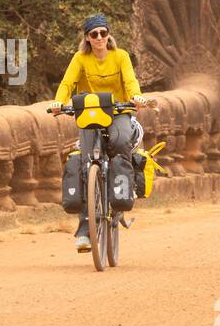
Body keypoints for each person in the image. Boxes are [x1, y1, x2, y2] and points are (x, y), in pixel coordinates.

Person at [50, 14, 148, 252]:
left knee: (122, 142)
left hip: (118, 112)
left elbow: (131, 81)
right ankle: (84, 229)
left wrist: (136, 97)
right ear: (87, 38)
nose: (99, 38)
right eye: (94, 34)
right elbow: (67, 83)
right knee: (85, 164)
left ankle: (122, 191)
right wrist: (58, 102)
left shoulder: (120, 56)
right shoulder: (80, 59)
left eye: (103, 33)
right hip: (89, 114)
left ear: (108, 35)